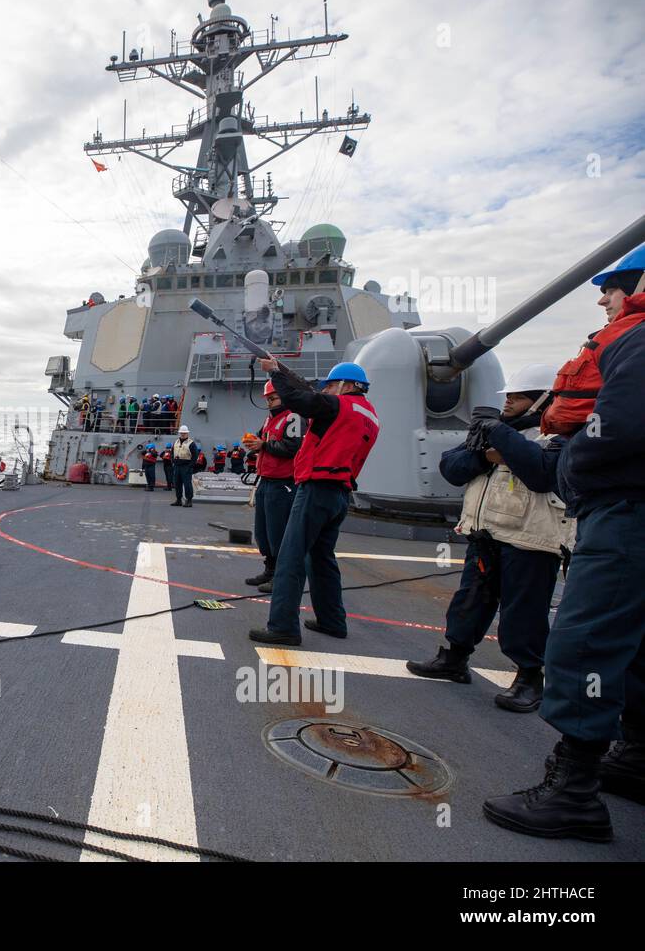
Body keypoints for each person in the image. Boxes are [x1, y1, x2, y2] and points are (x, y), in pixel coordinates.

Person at [483, 245, 645, 842]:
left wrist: (569, 465)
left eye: (612, 288)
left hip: (624, 510)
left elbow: (623, 422)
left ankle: (573, 790)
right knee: (638, 644)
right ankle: (636, 757)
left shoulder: (638, 337)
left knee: (587, 642)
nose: (603, 300)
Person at [406, 364, 574, 713]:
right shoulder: (497, 433)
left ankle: (530, 677)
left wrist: (501, 436)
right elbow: (451, 468)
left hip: (532, 539)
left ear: (542, 401)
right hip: (487, 534)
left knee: (523, 612)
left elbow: (542, 475)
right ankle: (454, 658)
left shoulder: (562, 436)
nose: (508, 402)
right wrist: (484, 452)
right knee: (471, 600)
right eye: (508, 396)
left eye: (517, 397)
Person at [248, 361, 380, 645]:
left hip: (316, 489)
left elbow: (297, 400)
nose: (328, 391)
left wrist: (274, 372)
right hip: (340, 494)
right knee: (321, 559)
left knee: (291, 557)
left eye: (332, 385)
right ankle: (332, 620)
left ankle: (282, 626)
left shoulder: (338, 406)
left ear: (349, 385)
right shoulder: (371, 415)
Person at [243, 380, 303, 594]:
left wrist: (264, 445)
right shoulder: (270, 419)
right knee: (263, 531)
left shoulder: (293, 417)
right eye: (268, 399)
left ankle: (280, 575)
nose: (269, 403)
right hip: (266, 480)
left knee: (278, 531)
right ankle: (270, 569)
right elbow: (263, 439)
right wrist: (254, 444)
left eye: (273, 398)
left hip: (283, 483)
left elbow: (292, 447)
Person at [170, 425, 202, 508]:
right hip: (177, 466)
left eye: (184, 433)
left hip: (186, 466)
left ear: (187, 433)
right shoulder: (176, 442)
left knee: (187, 484)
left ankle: (189, 500)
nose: (183, 434)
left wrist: (190, 466)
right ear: (179, 433)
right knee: (177, 483)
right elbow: (172, 453)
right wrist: (173, 462)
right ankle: (178, 500)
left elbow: (195, 456)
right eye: (181, 433)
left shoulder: (191, 443)